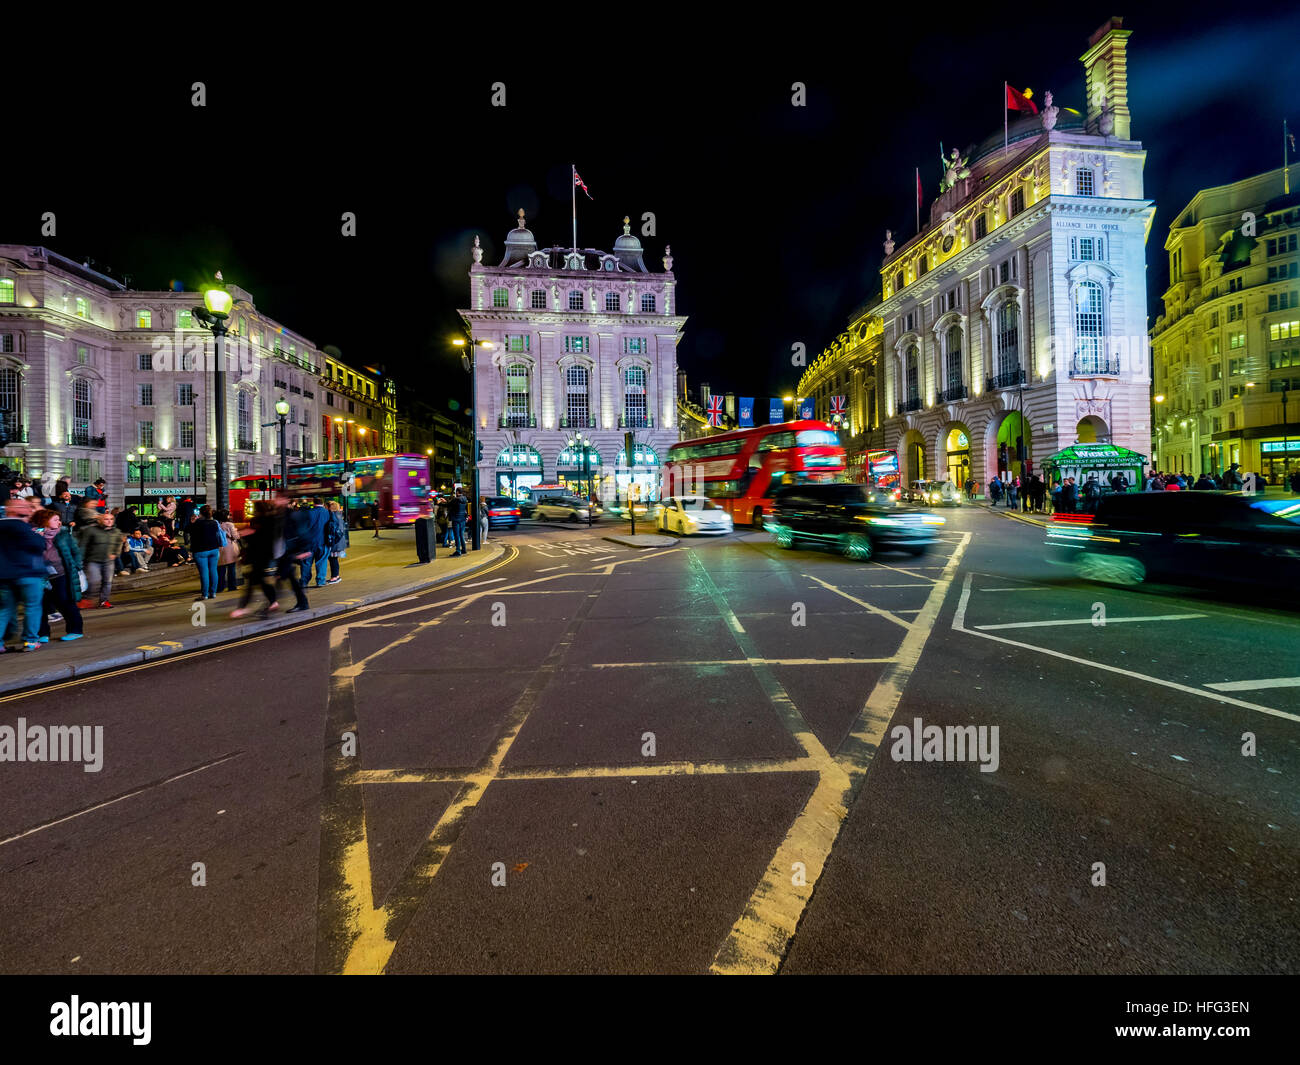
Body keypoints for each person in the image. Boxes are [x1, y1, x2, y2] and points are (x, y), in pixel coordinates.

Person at [0, 497, 49, 651]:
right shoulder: (21, 526)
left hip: (4, 575)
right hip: (28, 573)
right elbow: (39, 545)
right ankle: (30, 641)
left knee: (4, 609)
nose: (29, 509)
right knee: (32, 607)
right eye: (25, 506)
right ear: (13, 509)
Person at [31, 509, 84, 643]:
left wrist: (77, 566)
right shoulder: (33, 535)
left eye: (59, 519)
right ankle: (42, 633)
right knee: (40, 604)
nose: (59, 522)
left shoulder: (63, 534)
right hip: (40, 576)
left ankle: (75, 630)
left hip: (61, 574)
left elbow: (76, 551)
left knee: (65, 602)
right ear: (44, 521)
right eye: (55, 519)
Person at [231, 500, 279, 618]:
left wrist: (248, 534)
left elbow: (259, 537)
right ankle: (272, 601)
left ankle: (243, 607)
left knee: (253, 581)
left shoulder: (262, 521)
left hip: (260, 555)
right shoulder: (269, 520)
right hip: (263, 555)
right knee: (258, 581)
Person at [76, 510, 123, 610]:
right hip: (93, 560)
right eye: (106, 519)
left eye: (111, 519)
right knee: (93, 581)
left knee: (107, 582)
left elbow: (119, 543)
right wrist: (80, 559)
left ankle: (104, 601)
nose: (109, 521)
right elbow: (83, 545)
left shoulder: (116, 532)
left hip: (108, 561)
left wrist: (115, 553)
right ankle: (86, 599)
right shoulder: (91, 530)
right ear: (100, 520)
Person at [277, 498, 312, 612]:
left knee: (285, 578)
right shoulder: (282, 514)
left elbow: (301, 532)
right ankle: (302, 602)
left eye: (278, 498)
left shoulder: (291, 515)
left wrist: (303, 550)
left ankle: (272, 604)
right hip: (284, 552)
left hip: (289, 552)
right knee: (286, 578)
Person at [189, 504, 223, 601]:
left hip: (200, 551)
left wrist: (192, 522)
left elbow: (189, 531)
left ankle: (205, 594)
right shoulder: (214, 523)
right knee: (213, 570)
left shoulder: (198, 523)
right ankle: (213, 592)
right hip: (214, 549)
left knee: (204, 572)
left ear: (201, 513)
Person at [299, 497, 331, 589]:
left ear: (314, 503)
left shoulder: (308, 513)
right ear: (323, 503)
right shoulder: (327, 513)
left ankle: (304, 582)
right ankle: (320, 581)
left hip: (308, 542)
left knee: (306, 563)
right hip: (323, 541)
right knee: (321, 561)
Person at [215, 508, 241, 592]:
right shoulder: (229, 524)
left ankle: (220, 587)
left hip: (220, 548)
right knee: (231, 569)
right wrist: (237, 533)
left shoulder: (216, 524)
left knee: (221, 570)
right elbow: (235, 536)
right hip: (229, 547)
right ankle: (232, 586)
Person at [325, 500, 348, 584]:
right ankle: (336, 576)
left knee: (333, 559)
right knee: (334, 559)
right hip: (339, 541)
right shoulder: (338, 515)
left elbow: (333, 530)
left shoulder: (333, 516)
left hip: (335, 542)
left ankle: (335, 577)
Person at [449, 488, 469, 556]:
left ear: (457, 492)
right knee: (461, 535)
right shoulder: (465, 499)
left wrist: (442, 501)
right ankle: (464, 549)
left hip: (456, 519)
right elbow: (466, 510)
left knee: (456, 535)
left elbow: (448, 505)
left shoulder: (455, 499)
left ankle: (458, 551)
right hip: (462, 519)